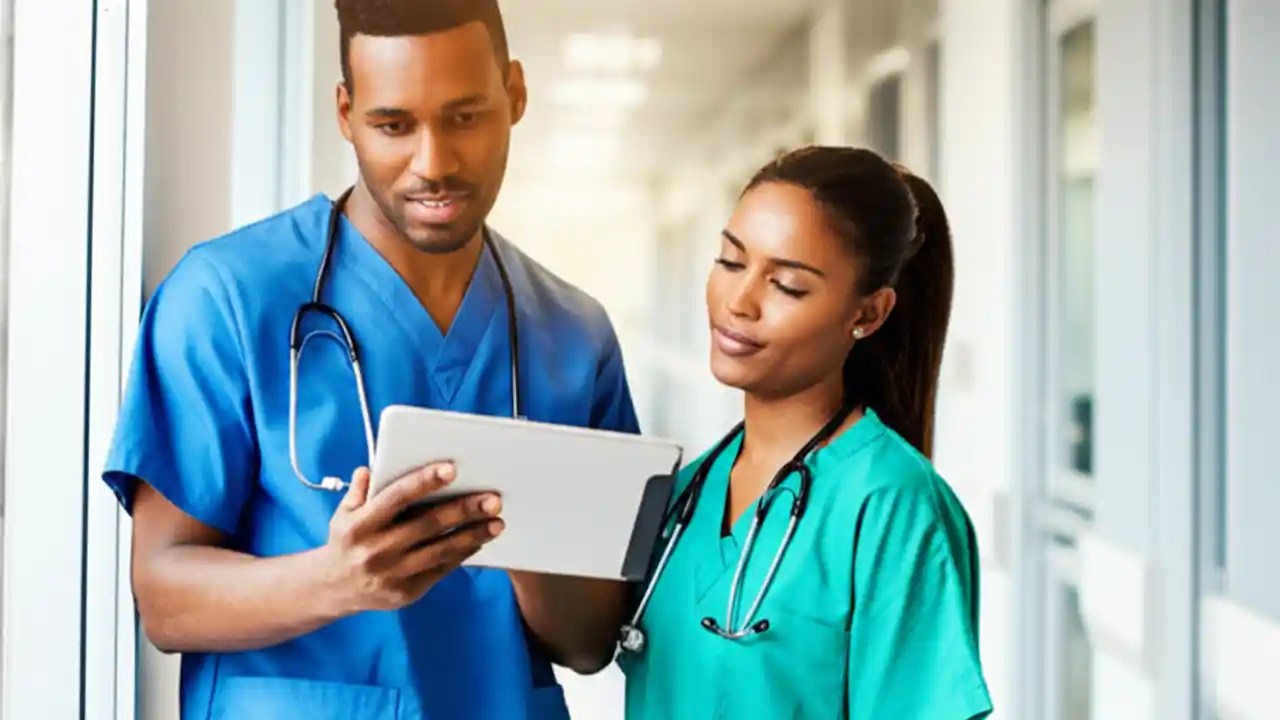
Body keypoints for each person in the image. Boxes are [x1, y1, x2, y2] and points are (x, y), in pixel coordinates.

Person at [102, 1, 636, 717]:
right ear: (346, 112)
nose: (434, 162)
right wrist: (338, 579)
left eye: (465, 116)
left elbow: (590, 642)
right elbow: (163, 600)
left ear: (515, 94)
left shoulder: (573, 336)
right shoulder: (227, 295)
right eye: (393, 125)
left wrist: (528, 542)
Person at [616, 146, 993, 719]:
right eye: (730, 261)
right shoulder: (686, 496)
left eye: (787, 285)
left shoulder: (892, 504)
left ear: (868, 314)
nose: (739, 302)